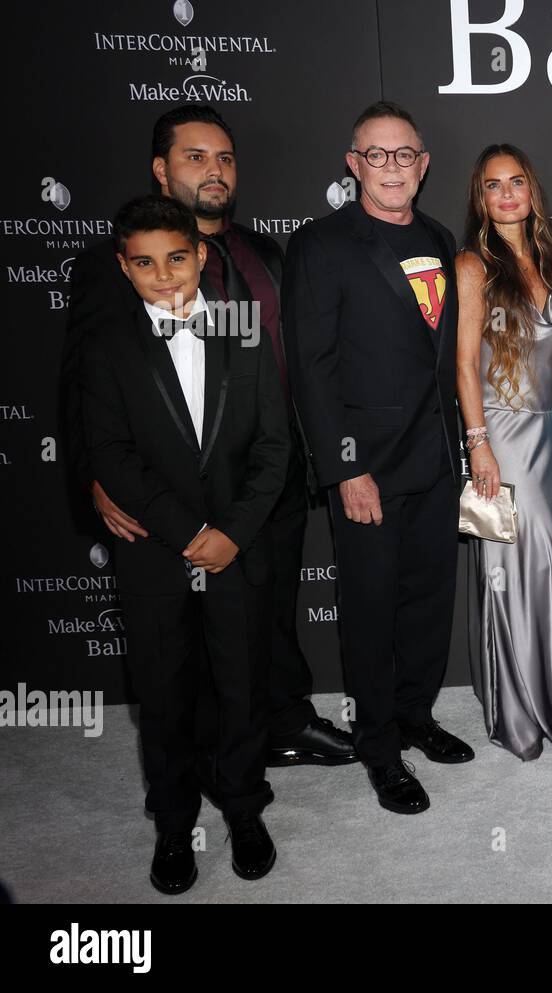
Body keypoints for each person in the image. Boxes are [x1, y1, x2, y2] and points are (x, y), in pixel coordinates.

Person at [60, 103, 356, 769]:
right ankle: (202, 760)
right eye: (196, 156)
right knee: (185, 638)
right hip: (172, 488)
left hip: (270, 473)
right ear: (160, 170)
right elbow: (80, 382)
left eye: (224, 157)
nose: (214, 169)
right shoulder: (114, 267)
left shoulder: (264, 253)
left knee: (272, 612)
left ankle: (281, 720)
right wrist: (95, 478)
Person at [79, 195, 288, 893]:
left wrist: (231, 532)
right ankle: (173, 823)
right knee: (164, 697)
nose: (165, 276)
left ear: (200, 254)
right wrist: (189, 531)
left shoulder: (246, 329)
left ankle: (246, 809)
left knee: (241, 685)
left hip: (238, 547)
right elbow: (112, 454)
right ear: (124, 267)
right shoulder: (108, 344)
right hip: (156, 553)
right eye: (144, 263)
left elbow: (273, 445)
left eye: (177, 258)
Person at [283, 101, 473, 815]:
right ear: (353, 163)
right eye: (377, 155)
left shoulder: (437, 234)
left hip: (433, 460)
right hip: (365, 468)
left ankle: (415, 715)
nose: (392, 168)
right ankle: (379, 745)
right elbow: (312, 365)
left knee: (427, 602)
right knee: (369, 610)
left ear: (423, 165)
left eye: (405, 155)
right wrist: (343, 467)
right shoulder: (321, 244)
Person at [456, 144, 552, 760]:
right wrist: (478, 445)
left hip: (549, 431)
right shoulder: (471, 265)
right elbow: (463, 365)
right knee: (512, 565)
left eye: (517, 181)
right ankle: (518, 709)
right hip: (502, 436)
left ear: (531, 191)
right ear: (481, 199)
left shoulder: (548, 258)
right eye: (494, 186)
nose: (508, 194)